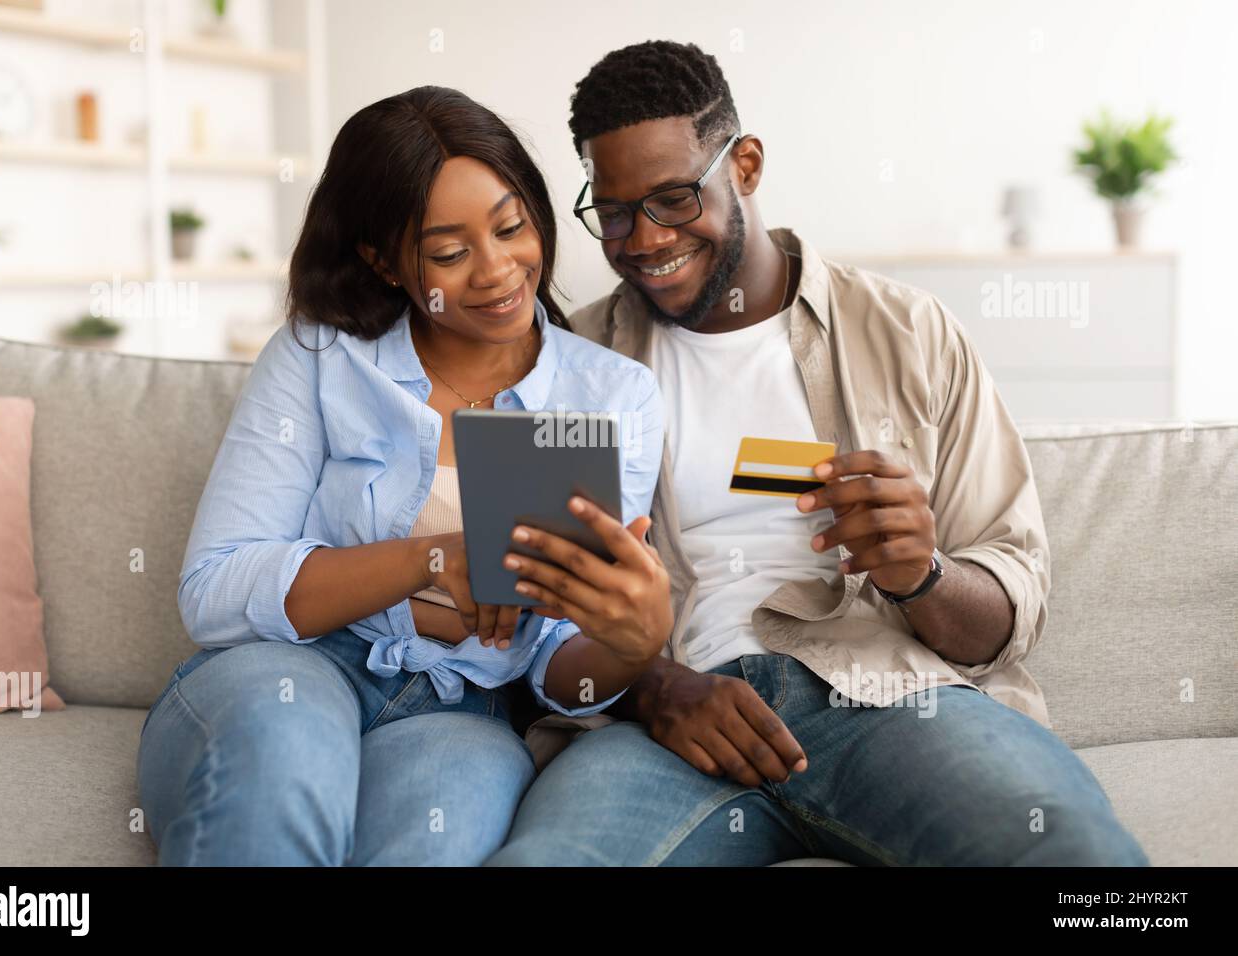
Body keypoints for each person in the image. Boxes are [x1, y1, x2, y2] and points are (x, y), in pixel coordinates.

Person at [485, 41, 1148, 866]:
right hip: (662, 728)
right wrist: (655, 688)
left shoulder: (910, 333)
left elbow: (1008, 617)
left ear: (748, 165)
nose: (644, 240)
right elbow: (521, 634)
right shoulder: (566, 367)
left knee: (1069, 853)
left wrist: (923, 572)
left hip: (889, 700)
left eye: (673, 198)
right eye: (615, 212)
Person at [136, 86, 669, 866]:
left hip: (463, 711)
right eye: (450, 253)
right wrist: (434, 560)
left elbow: (560, 666)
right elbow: (214, 591)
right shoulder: (321, 355)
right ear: (382, 260)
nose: (497, 271)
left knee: (437, 837)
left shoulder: (613, 396)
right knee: (282, 759)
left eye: (512, 227)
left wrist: (633, 639)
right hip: (293, 668)